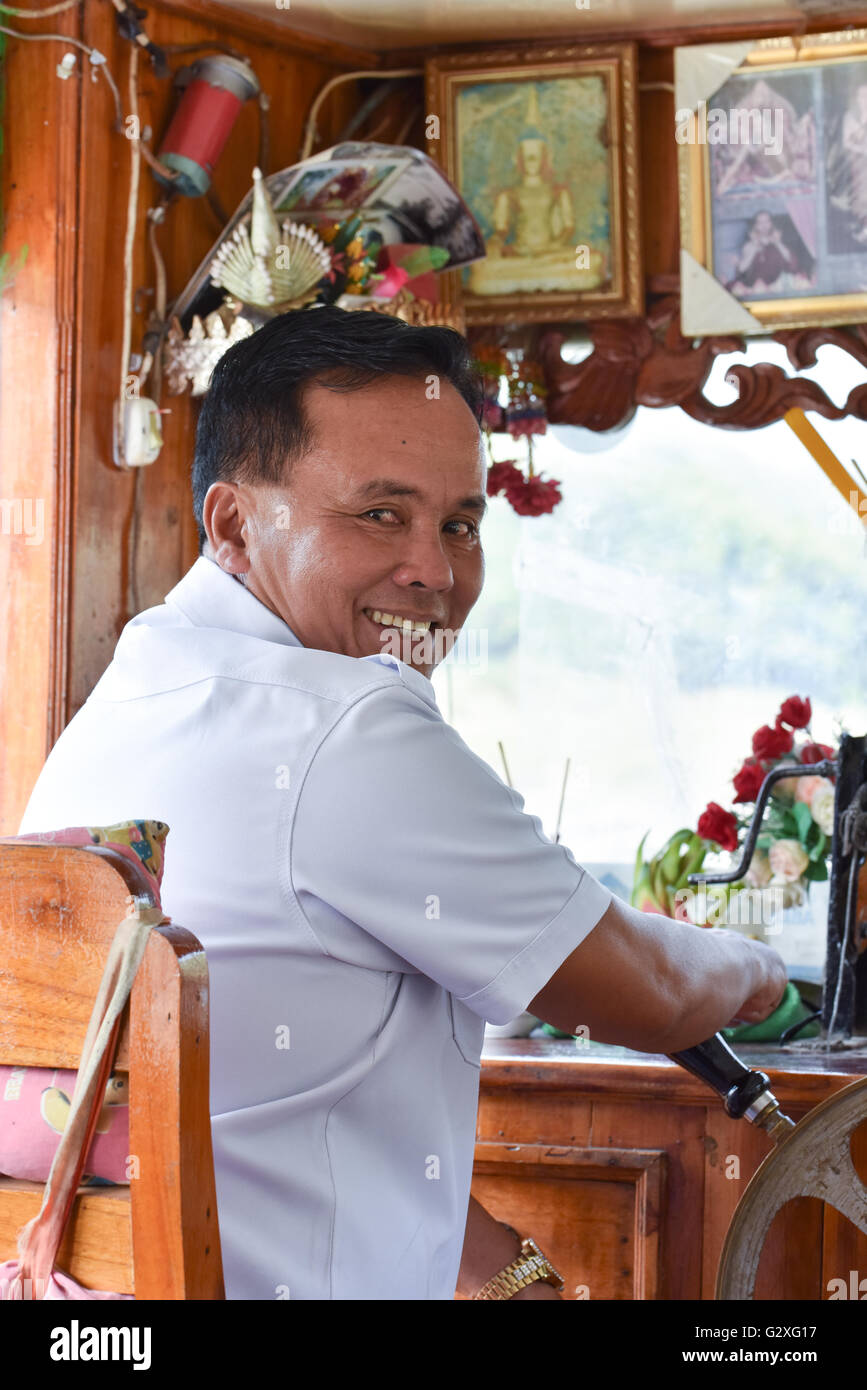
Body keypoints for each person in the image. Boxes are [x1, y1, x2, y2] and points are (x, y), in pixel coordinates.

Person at [18, 306, 787, 1300]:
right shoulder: (340, 724)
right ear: (234, 523)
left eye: (461, 523)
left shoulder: (134, 695)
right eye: (380, 514)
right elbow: (652, 989)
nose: (436, 571)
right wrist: (760, 968)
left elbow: (280, 1104)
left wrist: (512, 1273)